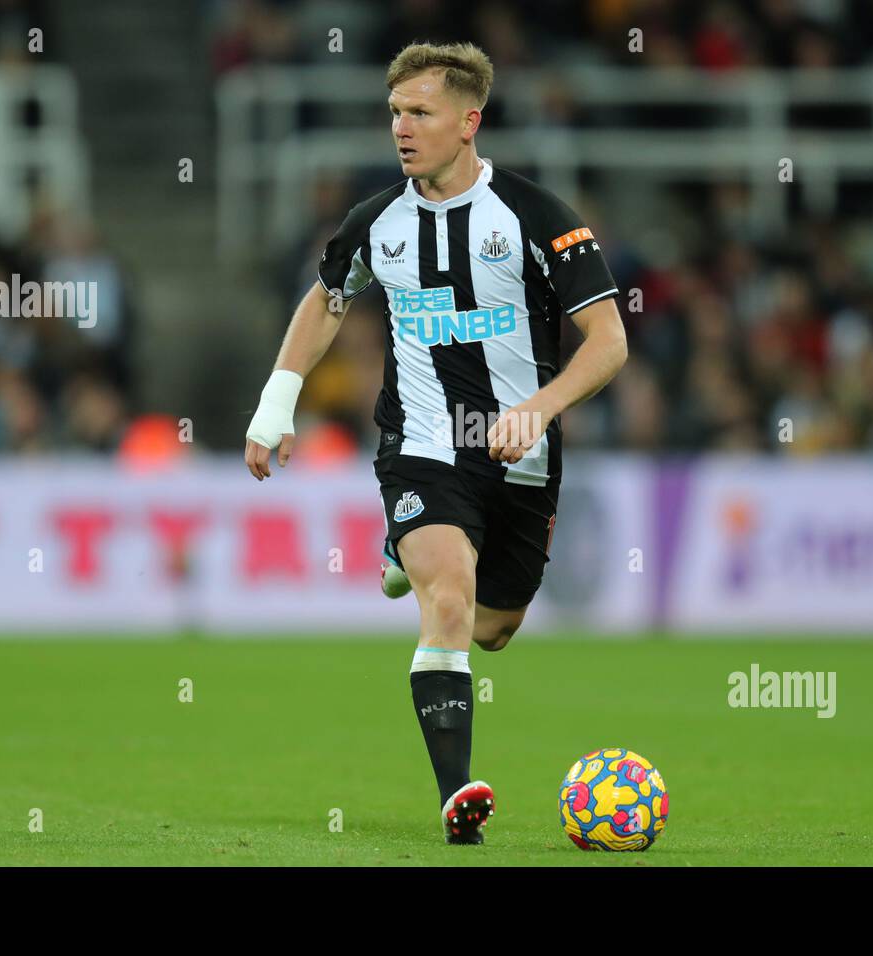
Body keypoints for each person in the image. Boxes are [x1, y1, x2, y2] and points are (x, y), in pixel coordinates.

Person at [244, 41, 627, 845]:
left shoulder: (537, 217)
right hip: (420, 445)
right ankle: (459, 801)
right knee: (447, 600)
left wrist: (542, 406)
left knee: (493, 626)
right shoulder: (376, 222)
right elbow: (326, 302)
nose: (402, 128)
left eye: (420, 112)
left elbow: (608, 339)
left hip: (522, 455)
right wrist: (277, 405)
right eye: (395, 113)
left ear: (468, 121)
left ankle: (406, 548)